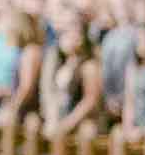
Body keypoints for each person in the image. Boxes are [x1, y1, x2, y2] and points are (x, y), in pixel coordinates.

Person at [42, 9, 104, 137]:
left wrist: (65, 125)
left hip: (80, 122)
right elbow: (49, 90)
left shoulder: (90, 65)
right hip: (58, 118)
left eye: (71, 33)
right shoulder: (59, 59)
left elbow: (90, 100)